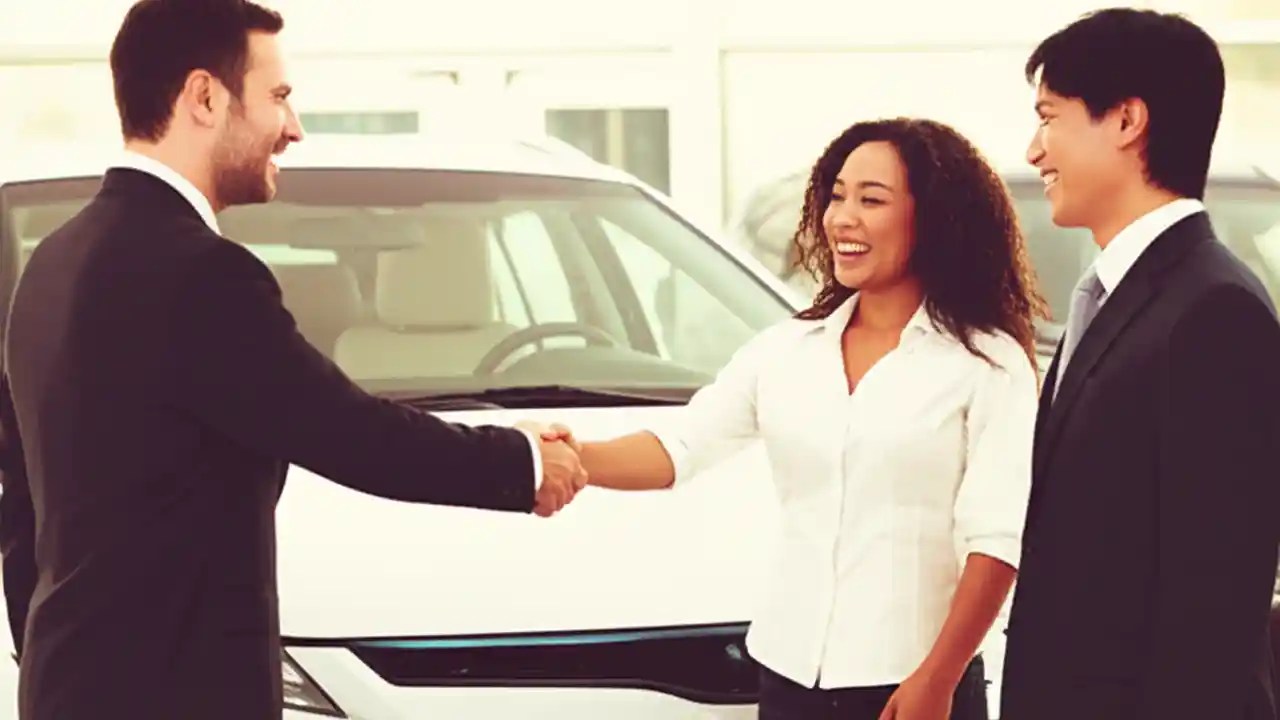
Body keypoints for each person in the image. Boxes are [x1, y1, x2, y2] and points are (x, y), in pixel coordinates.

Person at [0, 1, 586, 718]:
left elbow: (24, 500)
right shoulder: (201, 273)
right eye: (278, 96)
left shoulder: (51, 262)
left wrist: (51, 653)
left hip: (69, 687)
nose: (294, 127)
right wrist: (523, 464)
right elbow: (350, 432)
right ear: (205, 98)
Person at [532, 117, 1046, 719]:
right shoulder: (787, 350)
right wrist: (569, 455)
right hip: (788, 676)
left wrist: (939, 678)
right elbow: (681, 447)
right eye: (836, 195)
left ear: (932, 218)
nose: (842, 218)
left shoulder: (987, 363)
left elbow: (995, 543)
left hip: (911, 684)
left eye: (871, 199)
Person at [999, 9, 1280, 720]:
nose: (1035, 150)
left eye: (1049, 117)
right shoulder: (1115, 295)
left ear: (1126, 120)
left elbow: (1215, 610)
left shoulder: (1216, 312)